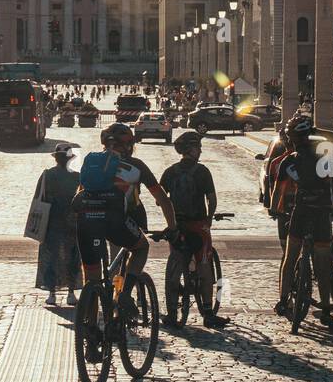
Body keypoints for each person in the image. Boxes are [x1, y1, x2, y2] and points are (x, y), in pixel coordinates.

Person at [72, 122, 176, 328]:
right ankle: (126, 294)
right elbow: (162, 199)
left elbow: (80, 192)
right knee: (141, 247)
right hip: (116, 221)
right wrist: (172, 227)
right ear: (129, 145)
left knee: (91, 279)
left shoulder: (92, 162)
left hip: (86, 222)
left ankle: (90, 335)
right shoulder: (136, 166)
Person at [159, 131, 227, 330]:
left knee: (175, 263)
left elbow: (160, 199)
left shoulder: (170, 171)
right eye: (198, 147)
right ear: (191, 150)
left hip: (177, 226)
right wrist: (209, 219)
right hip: (198, 225)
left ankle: (172, 312)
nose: (201, 151)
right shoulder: (202, 171)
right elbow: (212, 200)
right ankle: (208, 312)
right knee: (204, 263)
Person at [276, 118, 333, 331]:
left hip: (301, 211)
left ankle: (284, 299)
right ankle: (326, 309)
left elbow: (280, 189)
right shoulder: (324, 156)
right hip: (322, 212)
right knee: (322, 264)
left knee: (290, 255)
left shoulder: (289, 161)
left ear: (291, 139)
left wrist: (277, 209)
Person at [34, 142, 81, 307]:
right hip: (72, 222)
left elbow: (38, 199)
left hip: (51, 221)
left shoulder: (47, 175)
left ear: (57, 159)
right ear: (69, 160)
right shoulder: (77, 177)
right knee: (72, 256)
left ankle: (52, 292)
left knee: (51, 257)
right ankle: (70, 293)